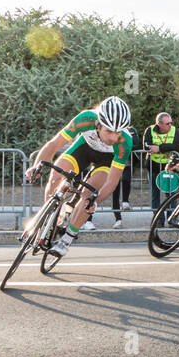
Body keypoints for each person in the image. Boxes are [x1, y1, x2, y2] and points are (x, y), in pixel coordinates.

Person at [24, 96, 134, 257]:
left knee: (88, 196)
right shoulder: (85, 118)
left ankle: (66, 240)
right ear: (98, 124)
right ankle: (50, 218)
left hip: (106, 161)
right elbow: (54, 144)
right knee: (55, 176)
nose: (113, 137)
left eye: (117, 132)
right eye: (109, 131)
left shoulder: (125, 142)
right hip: (83, 149)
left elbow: (112, 181)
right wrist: (35, 166)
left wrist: (95, 201)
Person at [143, 112, 179, 211]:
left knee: (171, 193)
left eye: (171, 122)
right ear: (159, 124)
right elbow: (146, 146)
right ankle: (159, 220)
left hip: (169, 167)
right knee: (155, 194)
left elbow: (177, 146)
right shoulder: (150, 130)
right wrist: (153, 147)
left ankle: (172, 218)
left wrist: (159, 148)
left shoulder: (174, 130)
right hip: (153, 166)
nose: (170, 125)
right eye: (167, 124)